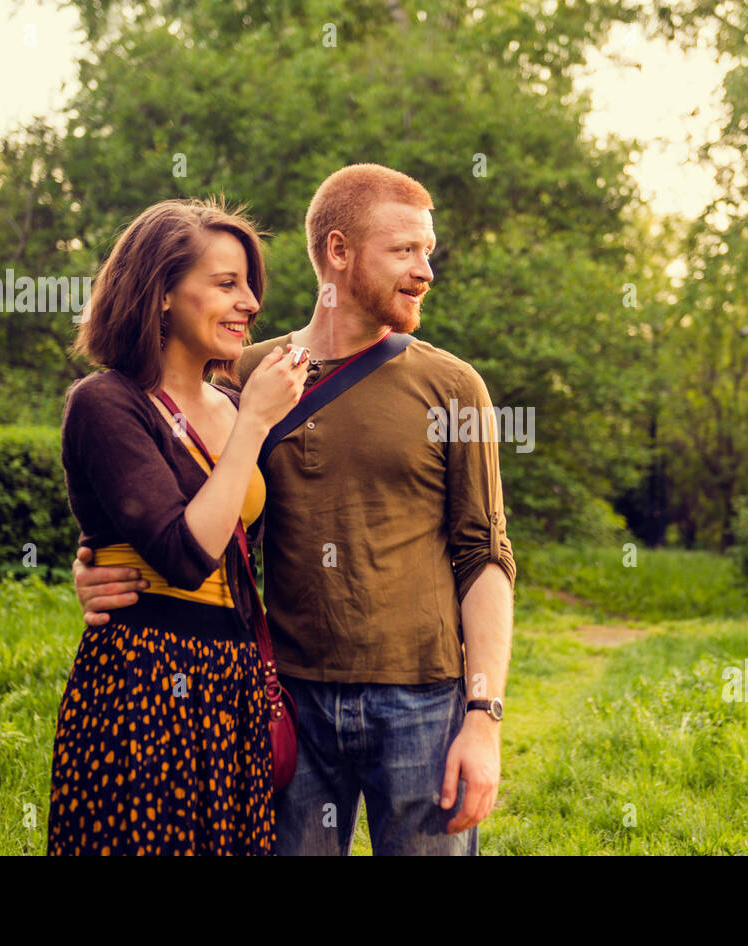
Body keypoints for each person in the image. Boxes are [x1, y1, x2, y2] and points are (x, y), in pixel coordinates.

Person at [72, 164, 517, 856]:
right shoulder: (240, 379)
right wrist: (99, 567)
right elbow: (165, 497)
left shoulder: (454, 386)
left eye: (428, 251)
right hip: (287, 698)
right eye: (404, 250)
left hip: (424, 704)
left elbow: (484, 554)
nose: (425, 270)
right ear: (338, 252)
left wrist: (483, 718)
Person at [49, 197, 308, 855]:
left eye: (250, 285)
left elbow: (243, 551)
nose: (250, 301)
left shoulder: (229, 401)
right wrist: (255, 423)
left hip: (232, 682)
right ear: (161, 293)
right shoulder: (106, 403)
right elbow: (183, 554)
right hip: (144, 682)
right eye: (226, 283)